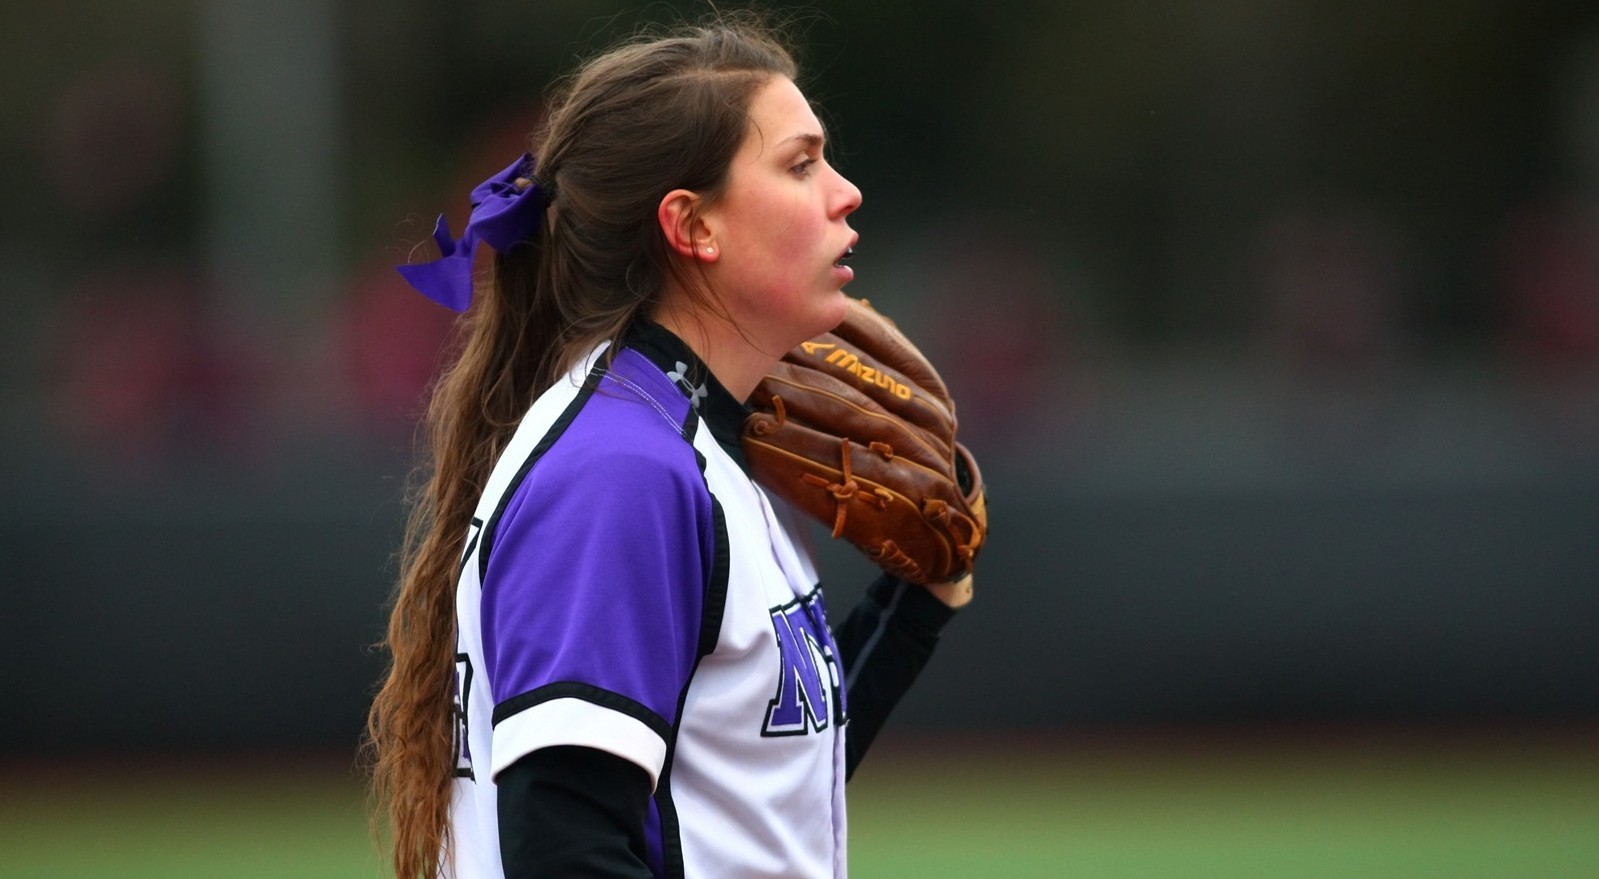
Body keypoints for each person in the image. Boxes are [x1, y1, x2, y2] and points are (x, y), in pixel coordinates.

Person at [365, 16, 973, 879]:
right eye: (799, 164)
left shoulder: (692, 445)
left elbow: (753, 792)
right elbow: (567, 848)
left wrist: (917, 604)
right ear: (692, 226)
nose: (844, 192)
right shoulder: (620, 470)